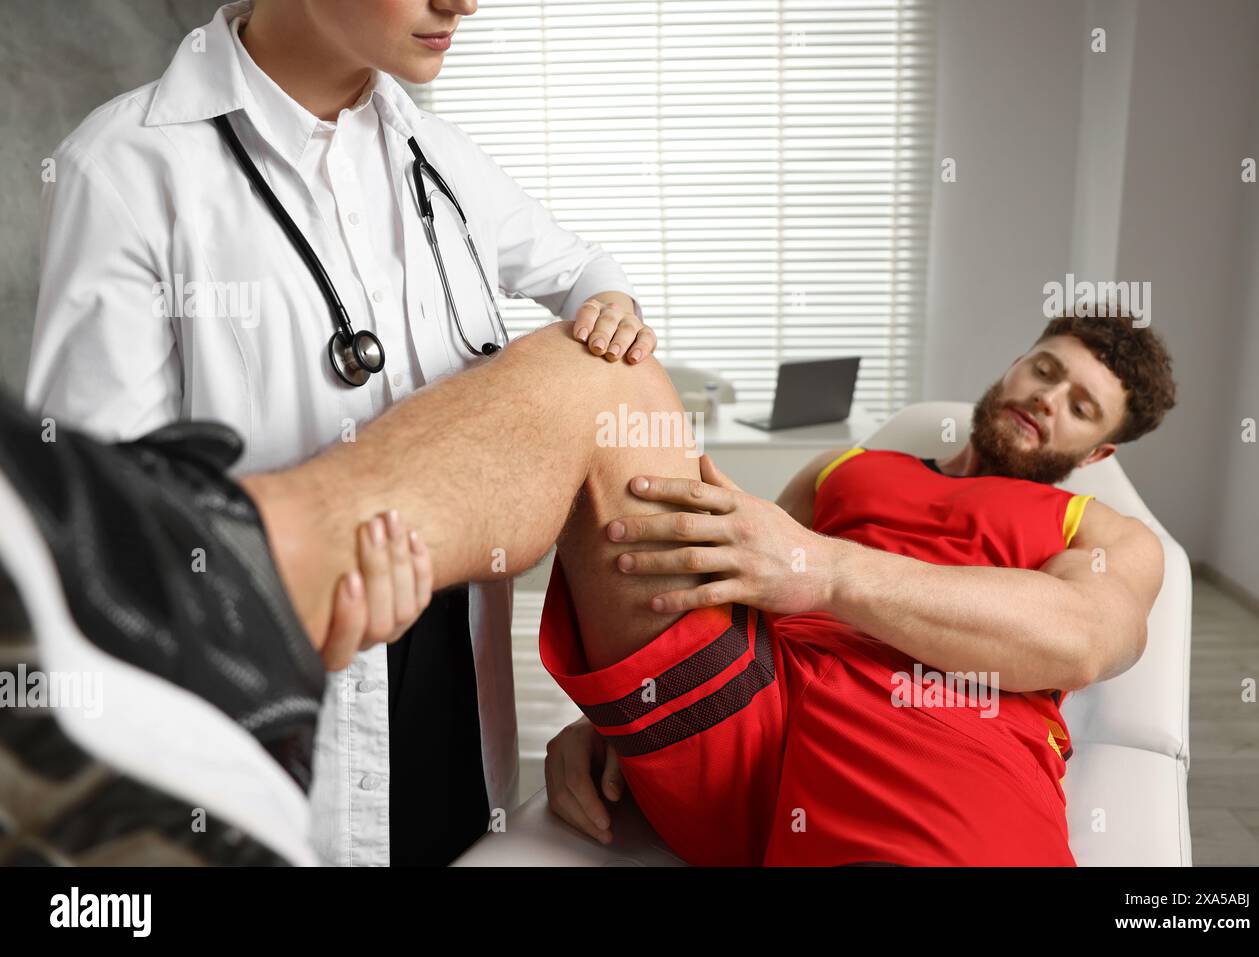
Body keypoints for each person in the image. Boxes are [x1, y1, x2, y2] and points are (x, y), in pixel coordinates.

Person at [2, 310, 1174, 865]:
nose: (1046, 401)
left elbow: (1082, 636)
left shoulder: (1103, 532)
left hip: (935, 762)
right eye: (1044, 369)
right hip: (748, 728)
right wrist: (609, 718)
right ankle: (233, 595)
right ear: (1014, 357)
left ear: (1103, 448)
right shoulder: (850, 471)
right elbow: (723, 568)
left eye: (1080, 406)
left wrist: (818, 567)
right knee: (600, 376)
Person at [24, 0, 657, 866]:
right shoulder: (128, 169)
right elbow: (100, 535)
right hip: (291, 718)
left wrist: (609, 307)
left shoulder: (434, 153)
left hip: (462, 715)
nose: (463, 2)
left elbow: (583, 267)